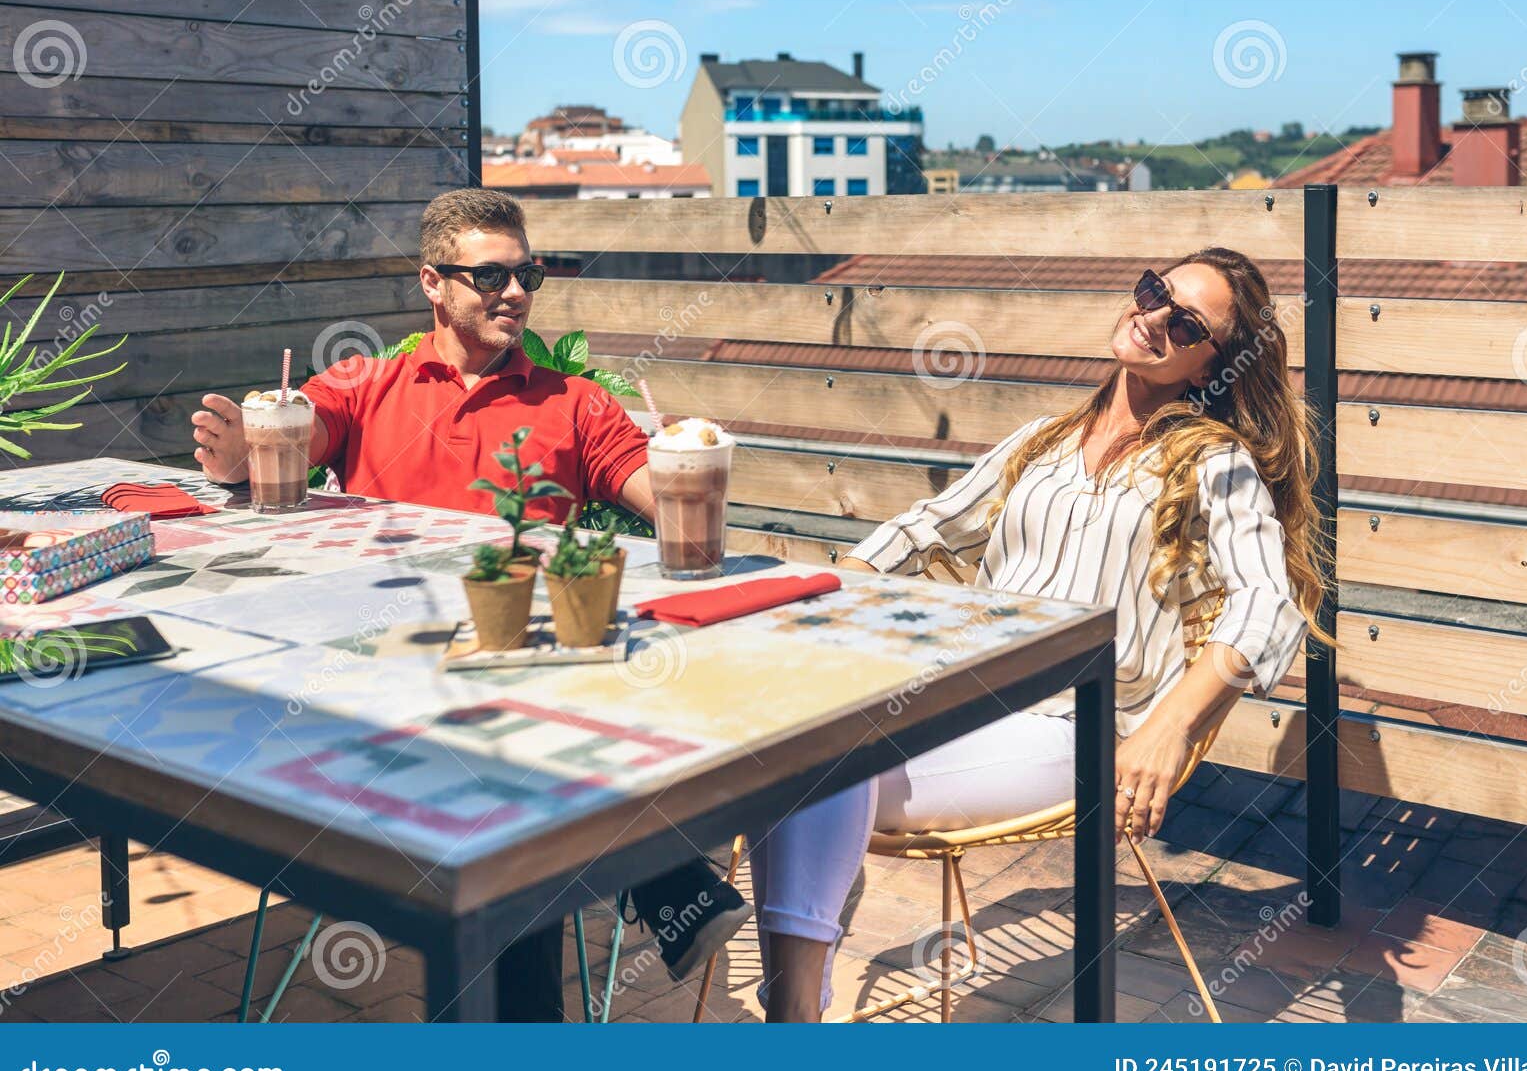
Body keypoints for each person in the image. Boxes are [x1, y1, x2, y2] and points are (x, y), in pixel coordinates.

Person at [189, 188, 749, 1019]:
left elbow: (657, 497)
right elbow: (293, 437)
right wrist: (240, 459)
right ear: (433, 283)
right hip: (383, 695)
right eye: (490, 276)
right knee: (516, 788)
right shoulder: (365, 384)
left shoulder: (574, 402)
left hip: (519, 694)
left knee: (514, 789)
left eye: (528, 274)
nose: (515, 292)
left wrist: (684, 470)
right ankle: (663, 883)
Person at [748, 247, 1330, 1021]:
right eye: (1153, 290)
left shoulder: (1212, 464)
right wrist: (822, 601)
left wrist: (1167, 729)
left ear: (1208, 368)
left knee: (820, 758)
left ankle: (792, 1019)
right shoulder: (1043, 441)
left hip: (1079, 728)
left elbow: (1266, 605)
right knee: (776, 728)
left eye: (1184, 321)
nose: (1152, 315)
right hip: (962, 700)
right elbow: (923, 531)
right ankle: (792, 1014)